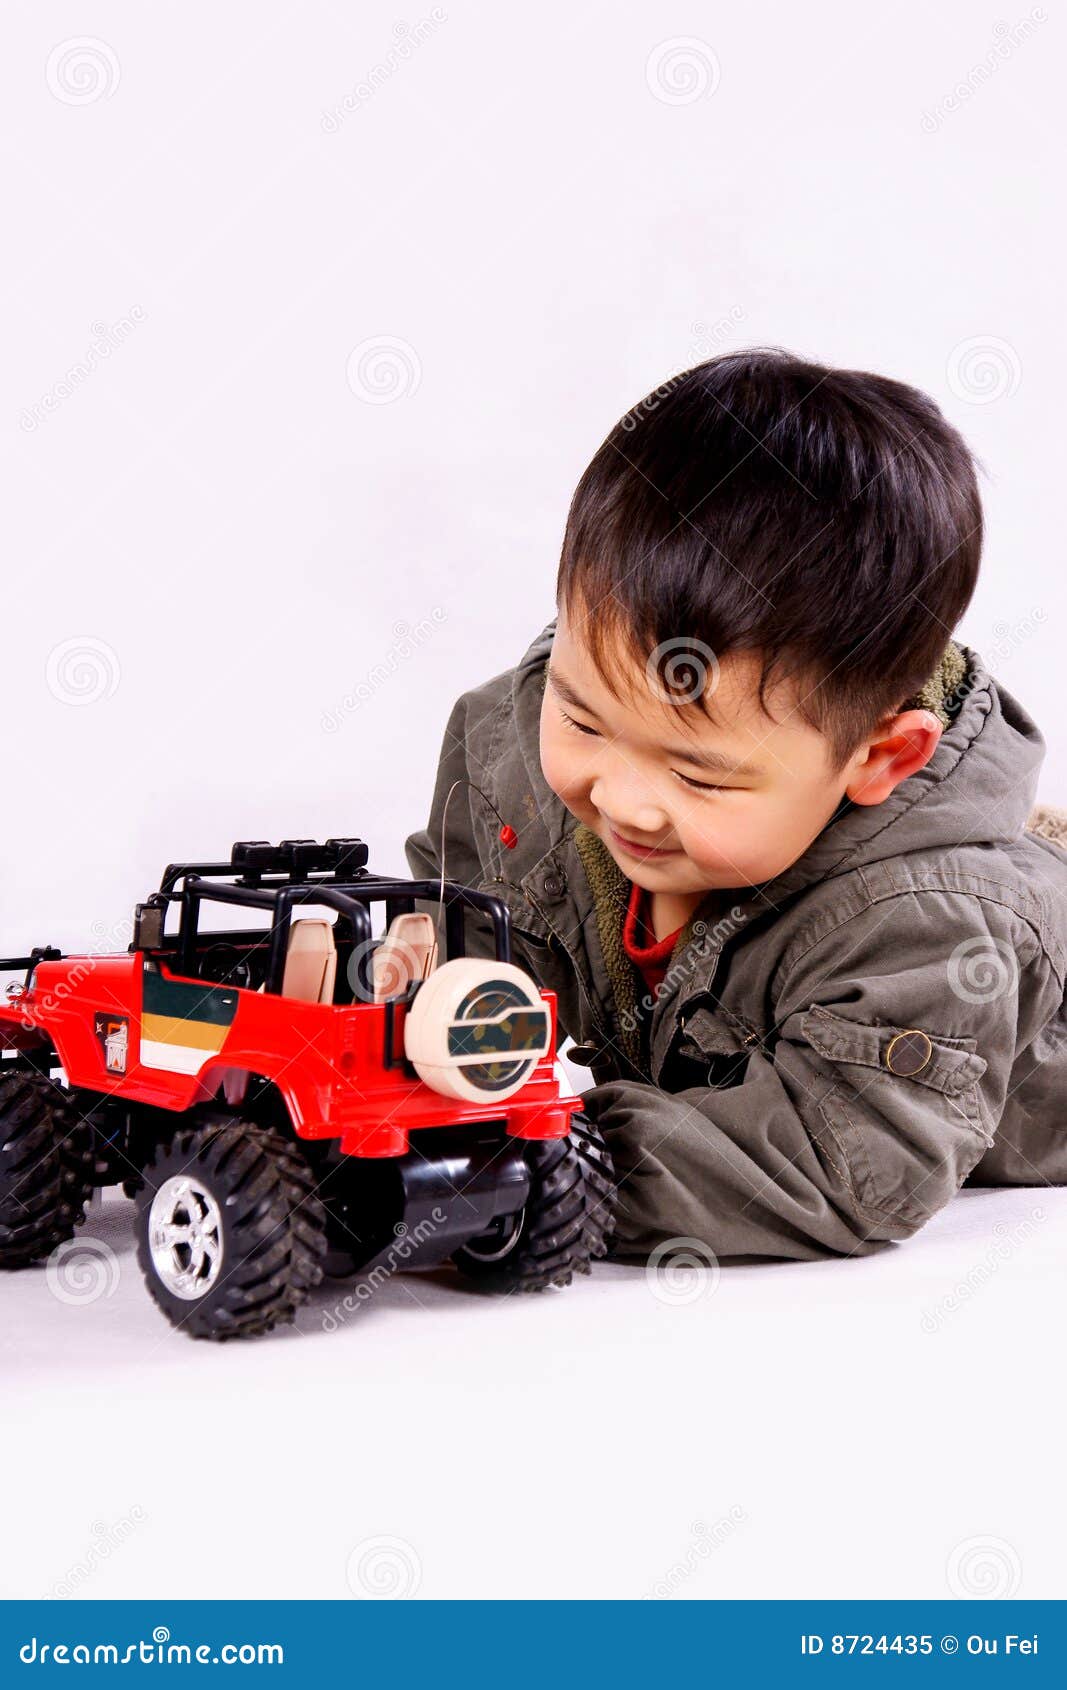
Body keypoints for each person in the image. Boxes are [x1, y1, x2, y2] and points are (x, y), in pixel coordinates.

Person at [406, 349, 1067, 1262]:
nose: (623, 801)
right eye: (585, 719)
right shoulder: (505, 746)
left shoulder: (928, 922)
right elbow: (462, 938)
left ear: (879, 757)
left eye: (700, 777)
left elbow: (845, 1160)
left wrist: (548, 1165)